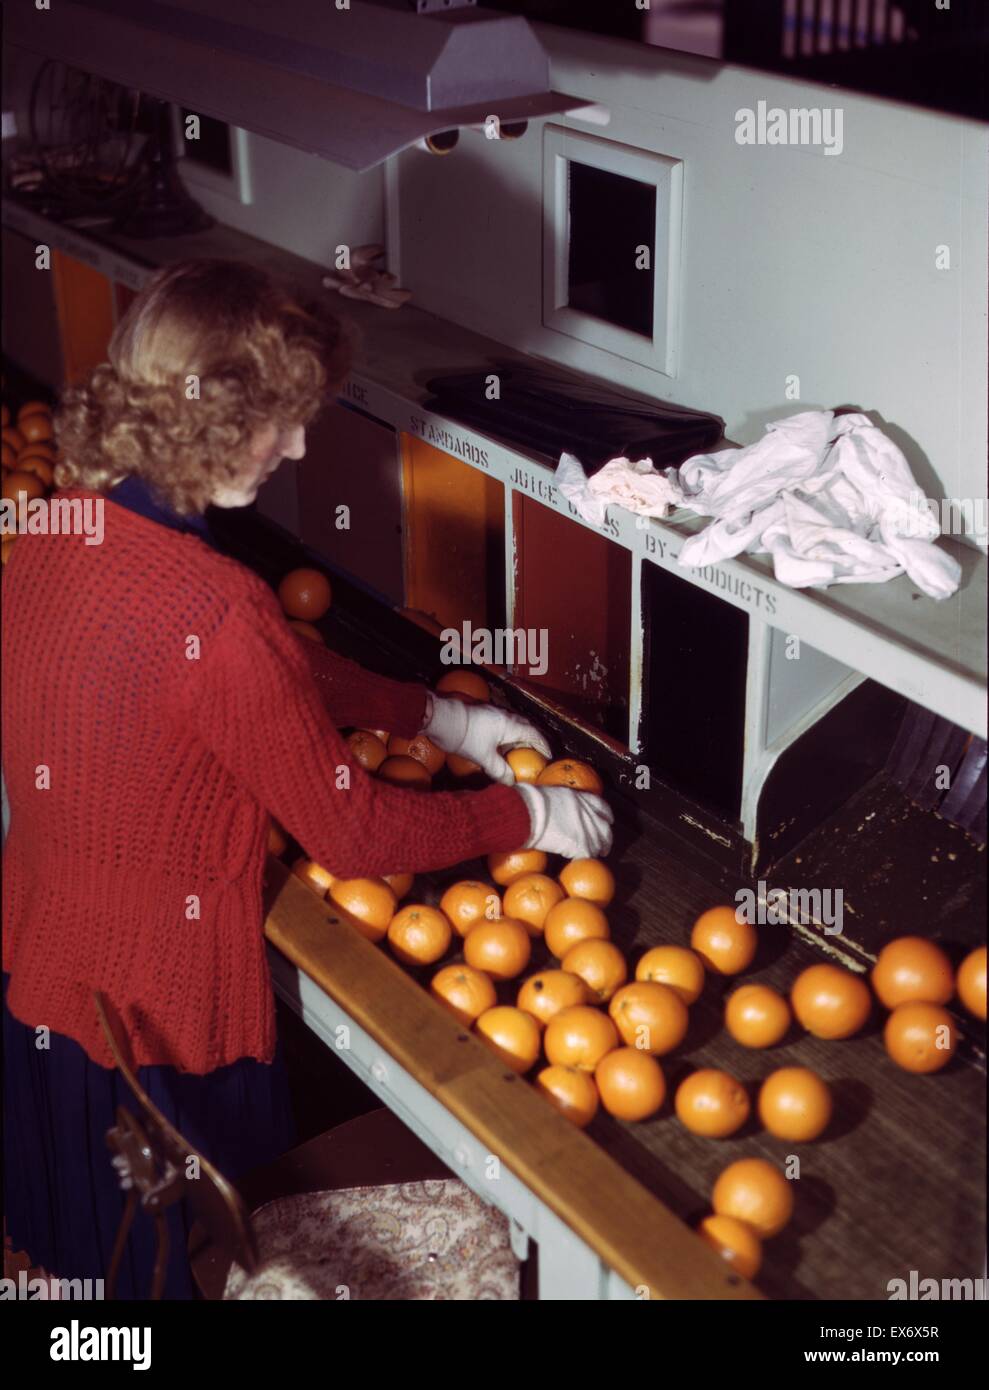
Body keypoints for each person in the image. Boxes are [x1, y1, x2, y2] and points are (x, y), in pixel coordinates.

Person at [1, 258, 612, 1298]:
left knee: (85, 1268)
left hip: (43, 973)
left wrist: (433, 713)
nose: (295, 444)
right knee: (178, 1272)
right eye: (281, 420)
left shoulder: (59, 525)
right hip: (163, 1025)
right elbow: (357, 836)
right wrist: (531, 810)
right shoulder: (218, 609)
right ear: (212, 422)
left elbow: (257, 670)